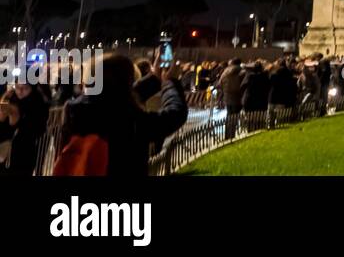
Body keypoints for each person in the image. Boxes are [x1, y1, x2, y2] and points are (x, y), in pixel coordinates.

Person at [58, 54, 188, 176]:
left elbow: (110, 98)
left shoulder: (73, 110)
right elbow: (175, 113)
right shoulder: (131, 118)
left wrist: (154, 78)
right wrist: (170, 82)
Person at [0, 80, 50, 177]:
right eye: (18, 87)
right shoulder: (9, 98)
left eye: (25, 88)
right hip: (5, 154)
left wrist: (17, 121)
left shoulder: (38, 103)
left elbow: (38, 129)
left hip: (24, 154)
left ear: (32, 88)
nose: (20, 91)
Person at [218, 60, 244, 140]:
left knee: (229, 116)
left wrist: (225, 91)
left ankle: (227, 136)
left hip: (227, 97)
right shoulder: (242, 72)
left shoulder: (226, 71)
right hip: (238, 97)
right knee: (235, 117)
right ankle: (232, 135)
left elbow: (220, 83)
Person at [241, 62, 271, 130]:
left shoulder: (249, 76)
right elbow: (269, 87)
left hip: (249, 100)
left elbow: (242, 87)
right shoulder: (265, 77)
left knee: (250, 120)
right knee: (260, 119)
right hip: (262, 100)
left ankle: (250, 130)